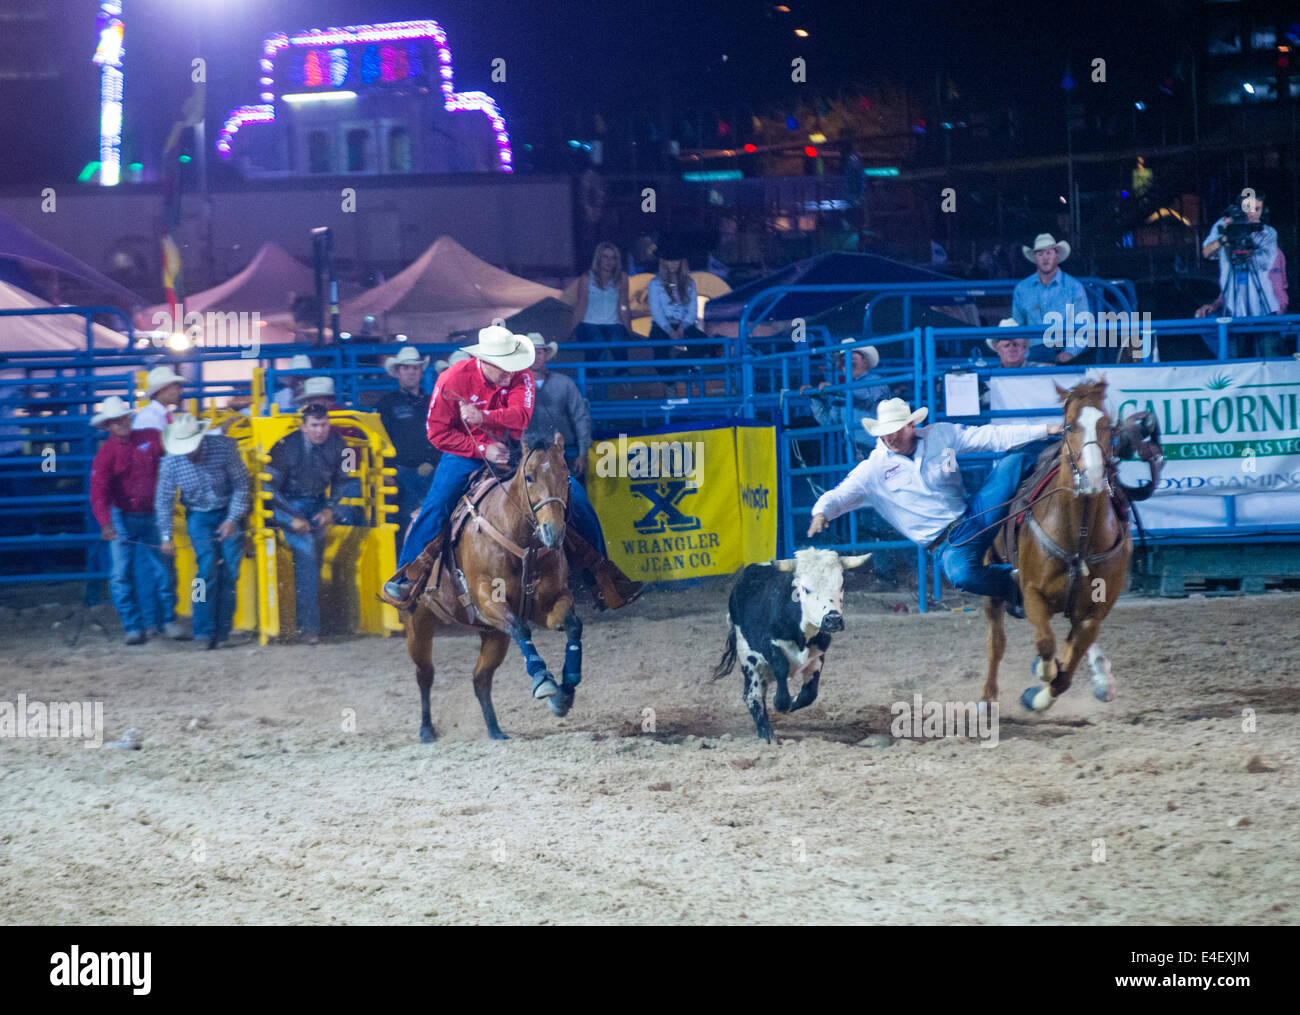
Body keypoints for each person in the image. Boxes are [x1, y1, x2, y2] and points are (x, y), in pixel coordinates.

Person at [807, 398, 1064, 618]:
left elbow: (990, 436)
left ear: (911, 425)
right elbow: (839, 495)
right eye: (886, 431)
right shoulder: (872, 471)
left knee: (1016, 459)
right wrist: (821, 512)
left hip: (975, 513)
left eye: (897, 428)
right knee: (962, 575)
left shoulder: (940, 434)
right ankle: (1018, 586)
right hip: (946, 542)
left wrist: (1047, 429)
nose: (892, 436)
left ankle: (1072, 458)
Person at [155, 413, 251, 647]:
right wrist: (166, 536)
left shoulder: (225, 448)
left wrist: (232, 519)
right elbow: (164, 499)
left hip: (228, 509)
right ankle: (203, 630)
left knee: (230, 571)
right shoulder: (171, 462)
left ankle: (222, 631)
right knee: (205, 569)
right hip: (198, 514)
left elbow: (241, 484)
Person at [89, 395, 175, 644]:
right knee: (122, 573)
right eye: (115, 422)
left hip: (149, 512)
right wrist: (105, 522)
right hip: (122, 515)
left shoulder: (150, 436)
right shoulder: (106, 455)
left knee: (161, 569)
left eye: (123, 419)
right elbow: (99, 492)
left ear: (129, 418)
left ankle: (162, 621)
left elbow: (173, 445)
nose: (121, 424)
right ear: (108, 426)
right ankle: (136, 625)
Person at [265, 403, 352, 643]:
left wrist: (331, 510)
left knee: (311, 564)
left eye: (323, 425)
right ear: (304, 427)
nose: (320, 430)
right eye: (314, 425)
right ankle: (310, 629)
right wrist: (291, 516)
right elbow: (268, 488)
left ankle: (311, 626)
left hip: (318, 504)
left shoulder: (340, 444)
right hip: (288, 505)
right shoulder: (285, 447)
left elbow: (348, 480)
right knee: (307, 562)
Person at [522, 336, 603, 553]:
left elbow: (579, 416)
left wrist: (583, 451)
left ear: (545, 355)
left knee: (580, 506)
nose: (536, 356)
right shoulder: (517, 387)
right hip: (529, 461)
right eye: (532, 352)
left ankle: (600, 561)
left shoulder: (563, 384)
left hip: (560, 457)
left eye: (540, 351)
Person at [1195, 189, 1287, 356]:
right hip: (1233, 307)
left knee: (1269, 360)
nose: (1253, 213)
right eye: (1249, 207)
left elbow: (1262, 262)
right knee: (1233, 361)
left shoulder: (1268, 232)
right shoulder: (1222, 226)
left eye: (1258, 209)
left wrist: (1247, 240)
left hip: (1263, 308)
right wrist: (1226, 237)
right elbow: (1206, 252)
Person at [377, 345, 438, 547]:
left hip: (432, 470)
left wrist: (431, 460)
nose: (411, 372)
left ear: (421, 372)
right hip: (401, 473)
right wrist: (386, 471)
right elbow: (380, 439)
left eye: (415, 368)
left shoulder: (432, 402)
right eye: (406, 368)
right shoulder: (386, 404)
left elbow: (443, 434)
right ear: (398, 372)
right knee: (406, 521)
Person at [803, 340, 890, 460]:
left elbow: (865, 395)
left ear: (865, 361)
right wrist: (815, 397)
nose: (847, 364)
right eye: (843, 362)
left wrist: (834, 390)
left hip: (881, 449)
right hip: (856, 452)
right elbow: (828, 421)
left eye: (852, 359)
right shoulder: (841, 392)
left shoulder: (875, 381)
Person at [1011, 234, 1091, 364]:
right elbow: (1016, 327)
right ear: (1035, 258)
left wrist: (1070, 352)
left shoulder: (1074, 288)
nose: (1045, 258)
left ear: (1056, 256)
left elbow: (1084, 327)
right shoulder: (1022, 289)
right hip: (1034, 352)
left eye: (1049, 252)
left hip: (1066, 349)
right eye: (1040, 254)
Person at [570, 242, 634, 364]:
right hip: (590, 323)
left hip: (614, 323)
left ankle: (622, 375)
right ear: (599, 258)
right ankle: (591, 376)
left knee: (618, 342)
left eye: (613, 258)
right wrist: (571, 331)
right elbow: (581, 304)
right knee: (596, 340)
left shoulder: (622, 277)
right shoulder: (587, 278)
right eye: (605, 257)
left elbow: (624, 304)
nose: (609, 261)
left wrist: (629, 329)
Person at [134, 366, 185, 432]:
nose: (179, 392)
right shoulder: (148, 417)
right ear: (162, 390)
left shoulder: (164, 415)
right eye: (176, 388)